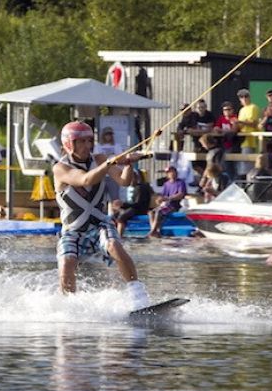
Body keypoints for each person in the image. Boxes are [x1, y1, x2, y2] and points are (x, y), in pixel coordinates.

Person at [52, 121, 150, 309]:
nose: (87, 146)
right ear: (69, 144)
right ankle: (68, 306)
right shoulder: (60, 168)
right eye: (81, 142)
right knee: (67, 262)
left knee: (114, 245)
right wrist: (109, 163)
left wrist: (128, 164)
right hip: (73, 231)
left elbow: (124, 181)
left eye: (89, 141)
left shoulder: (99, 160)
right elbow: (84, 179)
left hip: (99, 225)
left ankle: (138, 296)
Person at [148, 165, 187, 238]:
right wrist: (159, 200)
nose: (171, 173)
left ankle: (153, 231)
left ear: (176, 172)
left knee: (159, 212)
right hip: (165, 205)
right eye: (168, 172)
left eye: (172, 171)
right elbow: (163, 195)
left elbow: (181, 195)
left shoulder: (180, 183)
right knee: (151, 212)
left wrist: (168, 198)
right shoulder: (166, 184)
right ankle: (154, 230)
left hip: (174, 206)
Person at [113, 168, 154, 237]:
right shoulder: (135, 188)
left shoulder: (141, 188)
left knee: (121, 217)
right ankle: (115, 234)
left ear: (136, 178)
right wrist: (120, 206)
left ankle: (119, 236)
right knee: (115, 215)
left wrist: (123, 204)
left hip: (140, 209)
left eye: (131, 179)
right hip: (134, 208)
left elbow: (137, 204)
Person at [236, 88, 260, 177]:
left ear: (249, 97)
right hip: (243, 140)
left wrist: (240, 122)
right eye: (241, 97)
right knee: (244, 164)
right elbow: (241, 125)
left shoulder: (253, 107)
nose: (244, 98)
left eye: (246, 96)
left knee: (250, 166)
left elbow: (253, 123)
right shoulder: (241, 110)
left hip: (252, 140)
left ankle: (250, 182)